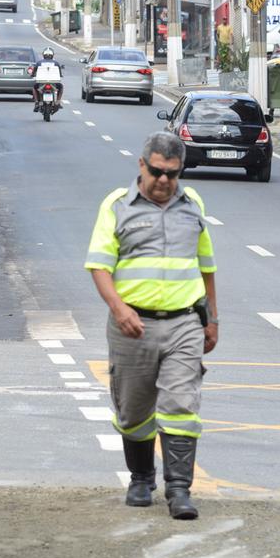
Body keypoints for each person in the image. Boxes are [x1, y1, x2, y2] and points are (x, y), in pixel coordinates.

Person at [85, 132, 219, 520]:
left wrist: (212, 319)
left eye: (173, 174)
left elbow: (207, 266)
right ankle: (141, 478)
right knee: (134, 410)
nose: (164, 181)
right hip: (132, 325)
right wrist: (118, 308)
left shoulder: (192, 205)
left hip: (184, 324)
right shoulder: (116, 206)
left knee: (181, 405)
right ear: (142, 165)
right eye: (157, 172)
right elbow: (98, 265)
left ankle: (179, 490)